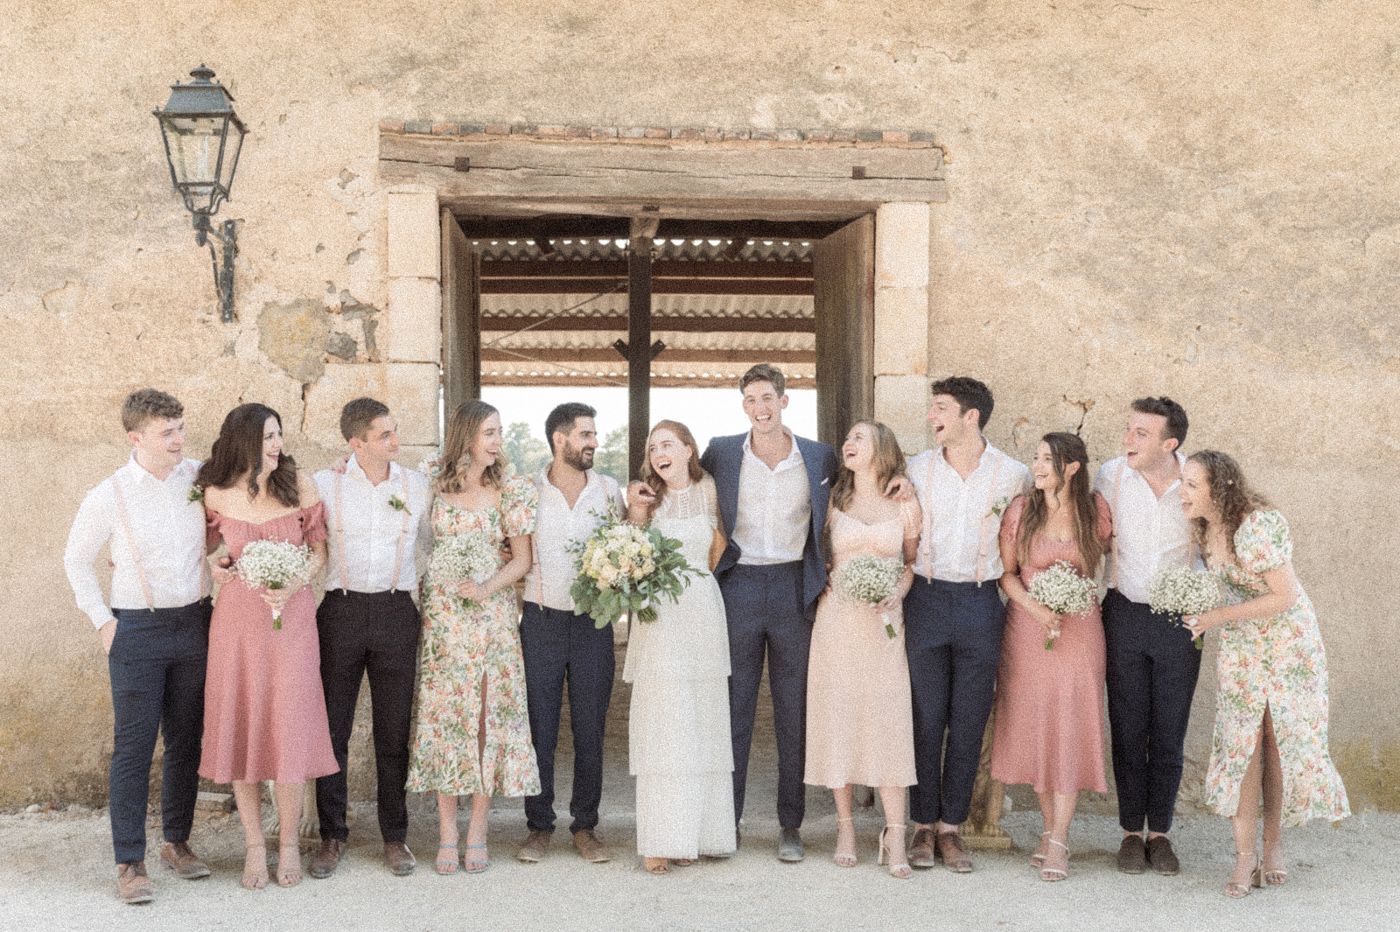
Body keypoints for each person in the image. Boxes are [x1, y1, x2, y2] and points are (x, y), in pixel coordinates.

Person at [63, 389, 213, 904]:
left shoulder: (201, 477)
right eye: (166, 432)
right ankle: (130, 860)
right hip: (136, 630)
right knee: (134, 746)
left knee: (186, 740)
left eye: (180, 428)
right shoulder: (109, 493)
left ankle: (176, 841)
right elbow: (76, 559)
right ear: (135, 437)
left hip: (194, 622)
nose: (178, 439)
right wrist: (103, 622)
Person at [1179, 451, 1349, 898]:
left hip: (1289, 643)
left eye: (1192, 484)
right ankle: (1243, 856)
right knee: (1242, 747)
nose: (1183, 492)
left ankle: (1273, 847)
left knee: (1278, 743)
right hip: (1242, 646)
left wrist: (1215, 617)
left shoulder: (1256, 525)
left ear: (1218, 488)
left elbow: (1285, 596)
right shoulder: (1203, 529)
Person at [692, 363, 839, 862]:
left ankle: (790, 825)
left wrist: (897, 489)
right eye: (751, 400)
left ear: (784, 400)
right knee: (734, 708)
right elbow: (688, 487)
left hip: (794, 586)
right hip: (739, 585)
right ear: (744, 406)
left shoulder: (818, 456)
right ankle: (726, 821)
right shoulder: (722, 451)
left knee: (792, 711)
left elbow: (853, 493)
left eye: (768, 398)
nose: (760, 408)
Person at [197, 403, 336, 890]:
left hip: (292, 618)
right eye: (267, 437)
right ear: (244, 443)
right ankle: (255, 845)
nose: (277, 445)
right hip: (237, 621)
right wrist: (216, 564)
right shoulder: (214, 492)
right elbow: (208, 549)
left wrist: (296, 579)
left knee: (289, 725)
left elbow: (319, 552)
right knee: (245, 723)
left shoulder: (300, 485)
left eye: (278, 435)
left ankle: (290, 843)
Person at [406, 400, 540, 875]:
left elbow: (522, 559)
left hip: (492, 617)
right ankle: (447, 832)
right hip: (444, 619)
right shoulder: (431, 478)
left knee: (486, 718)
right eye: (489, 432)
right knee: (447, 719)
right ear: (466, 436)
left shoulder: (511, 489)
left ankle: (477, 829)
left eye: (499, 431)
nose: (498, 441)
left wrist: (485, 587)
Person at [902, 376, 1029, 872]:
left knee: (970, 719)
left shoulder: (1013, 475)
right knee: (925, 716)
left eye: (940, 408)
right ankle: (921, 825)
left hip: (981, 603)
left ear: (969, 416)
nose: (931, 417)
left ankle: (951, 828)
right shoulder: (916, 468)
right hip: (926, 598)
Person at [308, 398, 432, 879]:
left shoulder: (417, 485)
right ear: (356, 443)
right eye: (384, 435)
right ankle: (331, 835)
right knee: (333, 729)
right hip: (340, 610)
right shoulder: (323, 484)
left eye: (394, 430)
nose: (395, 441)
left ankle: (395, 836)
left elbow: (434, 540)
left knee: (393, 732)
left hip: (396, 610)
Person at [992, 433, 1113, 881]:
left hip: (1080, 631)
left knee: (1070, 728)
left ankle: (1060, 838)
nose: (1038, 466)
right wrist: (1038, 609)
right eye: (1037, 458)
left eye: (1048, 459)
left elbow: (1115, 560)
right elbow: (1006, 575)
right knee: (1041, 728)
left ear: (1072, 468)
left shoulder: (1095, 512)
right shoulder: (1021, 511)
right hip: (1028, 630)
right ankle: (1048, 829)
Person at [804, 420, 920, 879]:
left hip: (885, 624)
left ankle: (896, 833)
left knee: (889, 720)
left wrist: (898, 592)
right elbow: (816, 554)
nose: (848, 444)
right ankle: (846, 827)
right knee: (840, 718)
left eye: (859, 438)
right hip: (837, 623)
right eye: (848, 437)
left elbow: (911, 562)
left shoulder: (904, 500)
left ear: (881, 449)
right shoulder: (833, 500)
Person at [624, 420, 735, 873]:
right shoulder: (646, 497)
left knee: (703, 719)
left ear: (689, 449)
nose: (658, 455)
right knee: (665, 721)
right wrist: (635, 510)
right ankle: (661, 838)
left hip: (702, 610)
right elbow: (631, 553)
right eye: (653, 449)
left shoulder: (711, 490)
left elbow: (720, 545)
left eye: (667, 445)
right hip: (661, 616)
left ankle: (701, 833)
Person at [1092, 397, 1197, 875]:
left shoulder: (1195, 479)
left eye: (1141, 433)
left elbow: (1216, 542)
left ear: (1169, 444)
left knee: (1169, 730)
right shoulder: (1110, 476)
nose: (1127, 440)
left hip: (1179, 621)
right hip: (1124, 613)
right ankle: (1131, 833)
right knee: (1128, 728)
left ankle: (1162, 834)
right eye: (1128, 429)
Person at [517, 403, 624, 865]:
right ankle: (539, 826)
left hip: (592, 624)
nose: (593, 442)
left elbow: (628, 544)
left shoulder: (609, 491)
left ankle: (585, 826)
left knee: (590, 728)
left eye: (594, 435)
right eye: (585, 435)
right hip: (540, 620)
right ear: (559, 440)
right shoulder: (525, 490)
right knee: (539, 728)